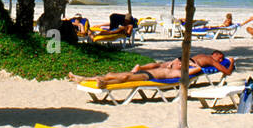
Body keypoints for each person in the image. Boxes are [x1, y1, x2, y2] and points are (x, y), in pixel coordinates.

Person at [68, 50, 230, 86]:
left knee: (125, 78)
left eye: (222, 59)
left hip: (149, 76)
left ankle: (103, 82)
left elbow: (197, 71)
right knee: (112, 73)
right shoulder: (175, 65)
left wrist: (191, 65)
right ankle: (85, 78)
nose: (220, 60)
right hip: (149, 72)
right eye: (220, 57)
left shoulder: (177, 71)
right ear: (215, 54)